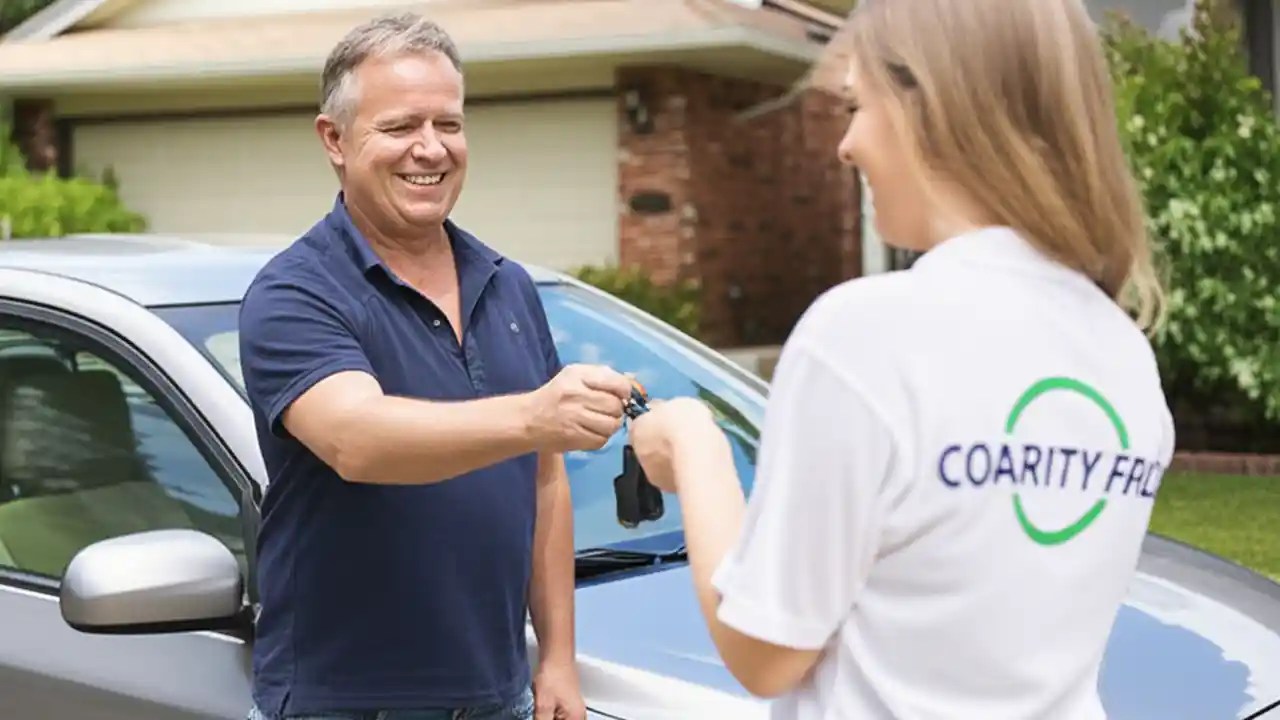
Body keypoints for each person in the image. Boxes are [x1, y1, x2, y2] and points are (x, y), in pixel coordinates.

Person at [629, 0, 1175, 718]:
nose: (845, 145)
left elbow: (763, 652)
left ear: (933, 104)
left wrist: (693, 443)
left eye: (857, 105)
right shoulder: (1123, 354)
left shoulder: (863, 336)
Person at [238, 13, 632, 720]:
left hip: (499, 698)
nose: (431, 149)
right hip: (349, 704)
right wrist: (536, 415)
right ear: (335, 139)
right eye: (399, 127)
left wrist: (559, 659)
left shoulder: (506, 283)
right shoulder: (294, 292)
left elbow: (544, 482)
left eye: (448, 124)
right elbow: (357, 440)